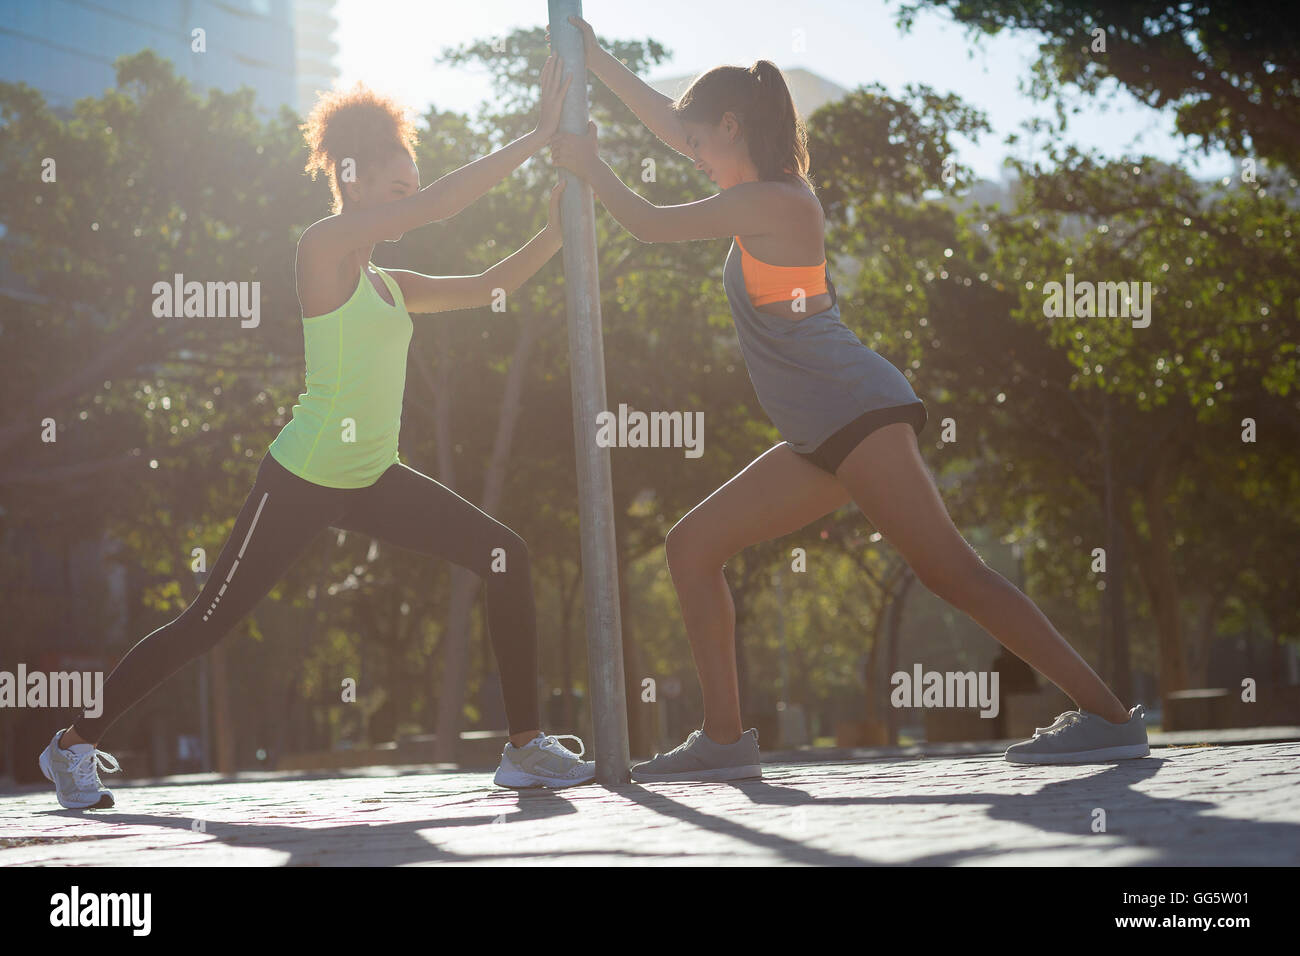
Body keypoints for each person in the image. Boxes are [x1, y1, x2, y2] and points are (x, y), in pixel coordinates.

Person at [548, 15, 1148, 781]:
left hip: (856, 412)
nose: (690, 156)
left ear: (732, 126)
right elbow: (671, 124)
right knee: (692, 548)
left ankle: (1110, 719)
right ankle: (726, 741)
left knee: (952, 574)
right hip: (816, 433)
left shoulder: (778, 203)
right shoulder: (752, 189)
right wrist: (595, 58)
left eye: (700, 145)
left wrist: (590, 166)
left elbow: (647, 223)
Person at [40, 57, 596, 809]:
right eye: (396, 184)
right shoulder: (322, 247)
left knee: (506, 556)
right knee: (206, 622)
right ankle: (71, 746)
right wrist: (534, 137)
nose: (409, 195)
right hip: (301, 477)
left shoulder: (387, 284)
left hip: (372, 476)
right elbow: (435, 210)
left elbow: (489, 286)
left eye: (411, 182)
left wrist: (560, 230)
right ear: (352, 176)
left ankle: (525, 747)